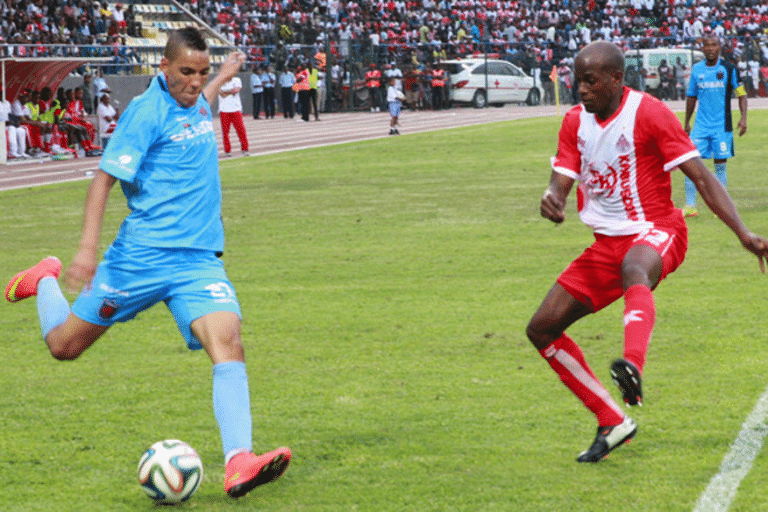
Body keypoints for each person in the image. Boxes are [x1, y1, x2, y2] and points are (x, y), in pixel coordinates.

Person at [4, 27, 291, 498]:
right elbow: (102, 182)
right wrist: (84, 252)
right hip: (139, 260)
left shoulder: (196, 96)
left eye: (202, 73)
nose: (196, 83)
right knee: (64, 346)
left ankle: (239, 461)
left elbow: (206, 96)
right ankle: (46, 279)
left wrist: (224, 74)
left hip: (198, 261)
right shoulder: (144, 114)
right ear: (164, 67)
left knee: (229, 341)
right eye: (187, 73)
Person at [527, 41, 768, 464]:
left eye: (590, 81)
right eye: (577, 80)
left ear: (616, 80)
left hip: (659, 229)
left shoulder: (650, 113)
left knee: (635, 267)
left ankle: (632, 365)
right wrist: (552, 196)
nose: (581, 89)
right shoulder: (573, 122)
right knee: (542, 329)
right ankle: (611, 420)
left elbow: (702, 177)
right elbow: (561, 175)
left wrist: (743, 233)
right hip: (606, 244)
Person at [682, 34, 748, 218]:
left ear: (720, 47)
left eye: (714, 45)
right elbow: (691, 96)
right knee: (690, 163)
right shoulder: (697, 69)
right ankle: (690, 205)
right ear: (702, 48)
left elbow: (741, 94)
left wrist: (743, 118)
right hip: (700, 127)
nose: (710, 48)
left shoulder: (729, 68)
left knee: (720, 166)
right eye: (707, 45)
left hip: (722, 127)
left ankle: (721, 208)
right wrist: (687, 122)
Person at [218, 73, 249, 157]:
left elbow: (236, 91)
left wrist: (227, 91)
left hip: (236, 109)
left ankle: (245, 149)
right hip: (224, 110)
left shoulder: (237, 80)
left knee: (241, 130)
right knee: (225, 132)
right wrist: (231, 91)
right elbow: (222, 94)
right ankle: (227, 150)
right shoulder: (220, 81)